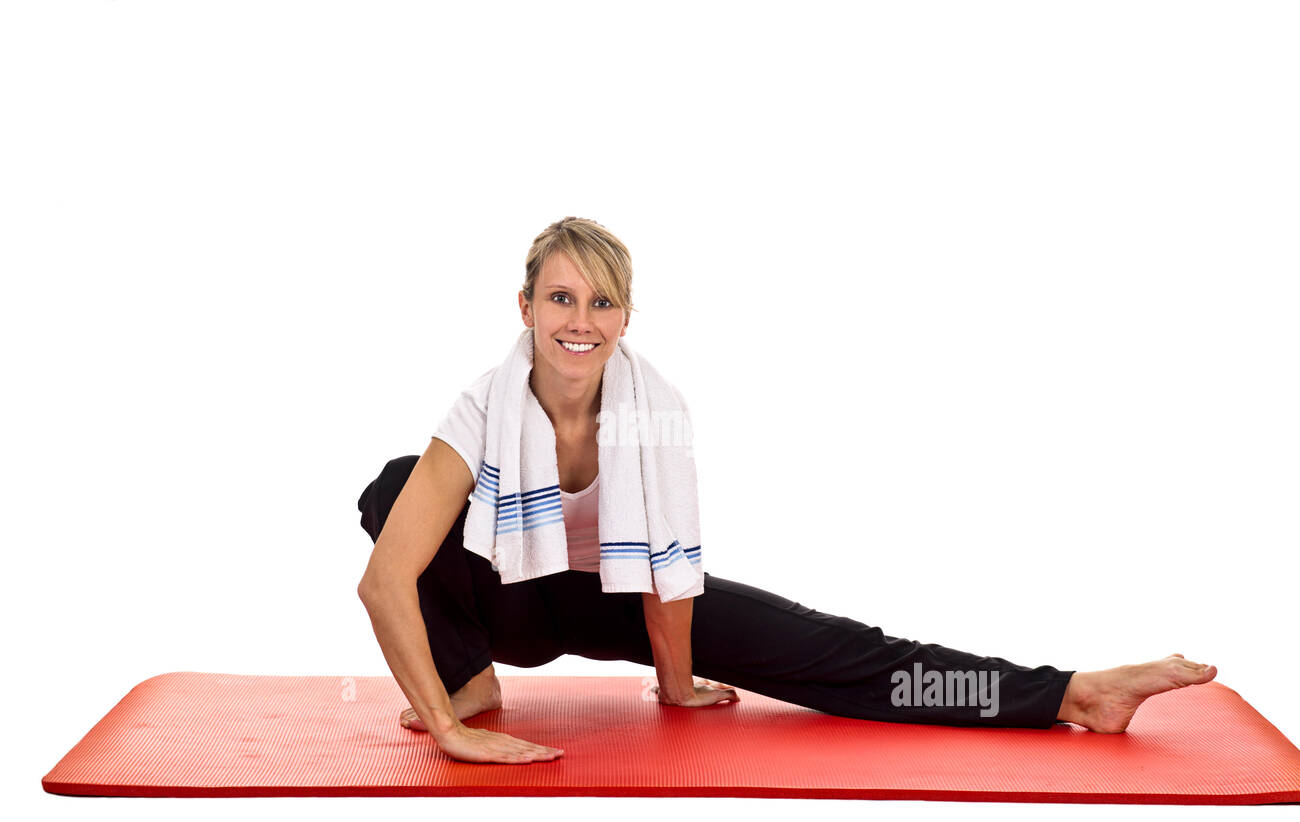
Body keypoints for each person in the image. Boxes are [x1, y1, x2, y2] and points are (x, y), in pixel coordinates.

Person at [356, 216, 1217, 765]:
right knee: (396, 488)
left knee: (844, 650)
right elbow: (385, 578)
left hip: (619, 601)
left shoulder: (655, 411)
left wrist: (678, 679)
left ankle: (1074, 693)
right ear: (525, 307)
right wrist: (447, 726)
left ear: (626, 317)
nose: (580, 320)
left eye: (602, 302)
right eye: (560, 297)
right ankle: (468, 682)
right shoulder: (480, 407)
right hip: (502, 596)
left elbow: (669, 573)